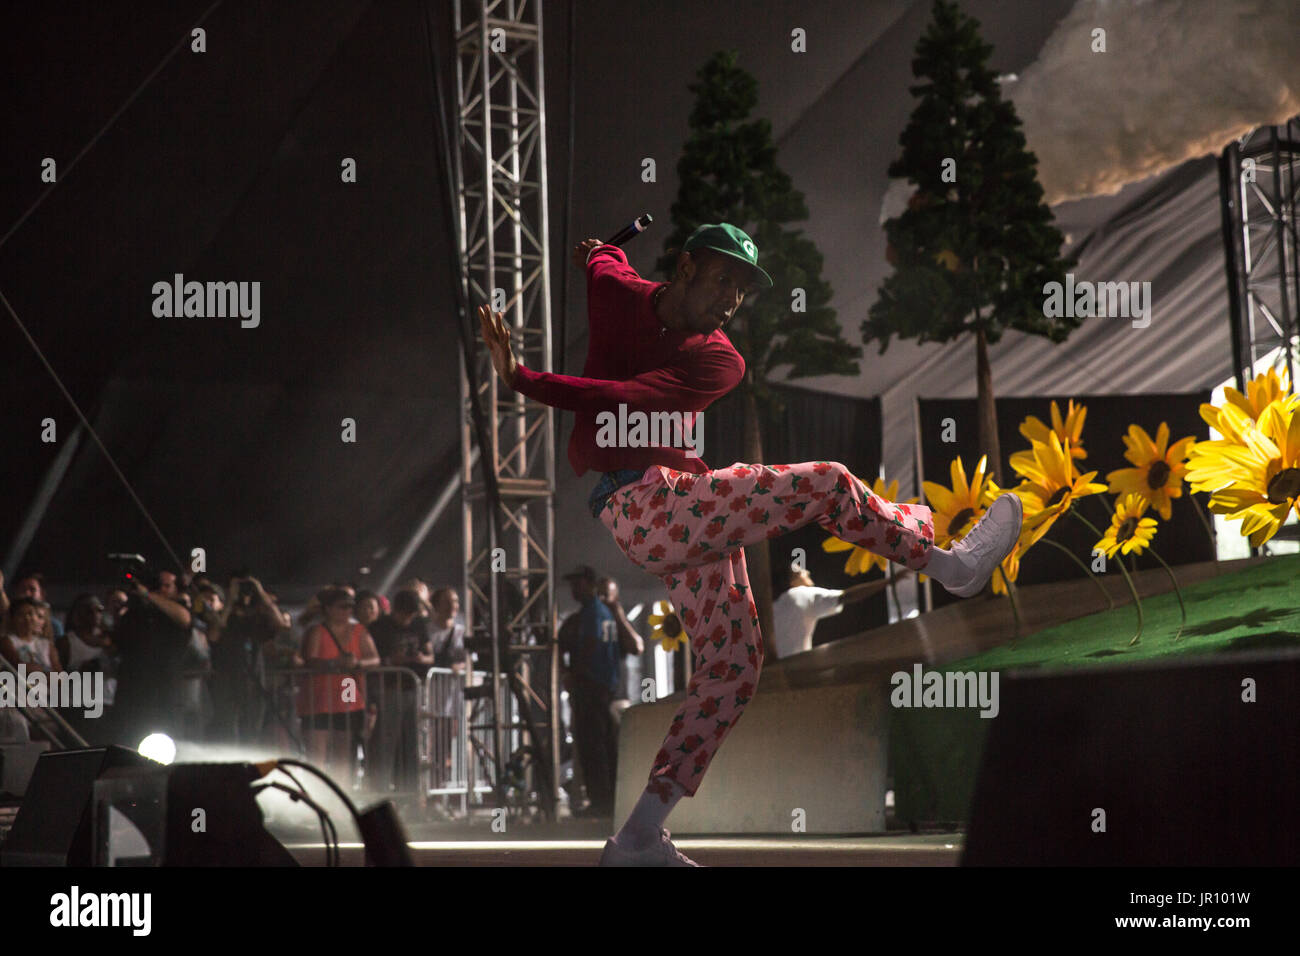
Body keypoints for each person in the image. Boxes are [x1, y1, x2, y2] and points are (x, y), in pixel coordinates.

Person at [477, 222, 1023, 865]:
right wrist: (595, 250)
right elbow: (607, 263)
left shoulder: (720, 359)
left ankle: (638, 837)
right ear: (684, 268)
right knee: (826, 482)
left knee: (734, 666)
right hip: (642, 505)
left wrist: (521, 377)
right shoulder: (616, 289)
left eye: (743, 289)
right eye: (723, 280)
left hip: (681, 508)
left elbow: (622, 400)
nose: (732, 299)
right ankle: (949, 565)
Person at [297, 587, 380, 785]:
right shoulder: (317, 631)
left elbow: (375, 659)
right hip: (320, 698)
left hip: (348, 693)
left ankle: (341, 791)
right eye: (342, 607)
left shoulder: (359, 631)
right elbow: (311, 659)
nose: (348, 611)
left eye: (350, 607)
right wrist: (335, 663)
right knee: (317, 752)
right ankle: (316, 793)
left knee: (344, 752)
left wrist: (358, 664)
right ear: (328, 609)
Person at [557, 565, 621, 817]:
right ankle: (606, 801)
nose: (574, 589)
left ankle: (601, 802)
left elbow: (589, 647)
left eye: (579, 584)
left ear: (590, 584)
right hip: (603, 688)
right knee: (603, 745)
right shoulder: (601, 612)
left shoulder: (591, 614)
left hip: (591, 687)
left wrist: (573, 675)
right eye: (572, 585)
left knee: (593, 746)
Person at [110, 568, 193, 747]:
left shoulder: (176, 612)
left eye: (167, 586)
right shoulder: (135, 613)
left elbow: (184, 619)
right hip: (134, 694)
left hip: (165, 695)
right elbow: (117, 643)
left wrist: (148, 595)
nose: (161, 589)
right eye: (157, 585)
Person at [772, 565, 914, 659]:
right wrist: (889, 581)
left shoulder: (772, 607)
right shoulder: (801, 594)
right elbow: (847, 596)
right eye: (800, 572)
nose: (807, 572)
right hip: (797, 667)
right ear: (791, 581)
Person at [209, 574, 287, 744]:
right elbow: (214, 634)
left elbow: (280, 625)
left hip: (253, 680)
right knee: (227, 730)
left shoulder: (257, 617)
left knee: (252, 731)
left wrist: (260, 592)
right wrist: (230, 601)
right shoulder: (224, 614)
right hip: (227, 680)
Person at [367, 589, 431, 792]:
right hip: (388, 689)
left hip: (413, 689)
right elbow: (372, 659)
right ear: (396, 610)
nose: (408, 620)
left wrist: (421, 659)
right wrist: (391, 661)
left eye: (412, 615)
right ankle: (382, 791)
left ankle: (411, 795)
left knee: (411, 745)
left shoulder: (419, 625)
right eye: (405, 615)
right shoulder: (379, 627)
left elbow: (431, 656)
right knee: (386, 744)